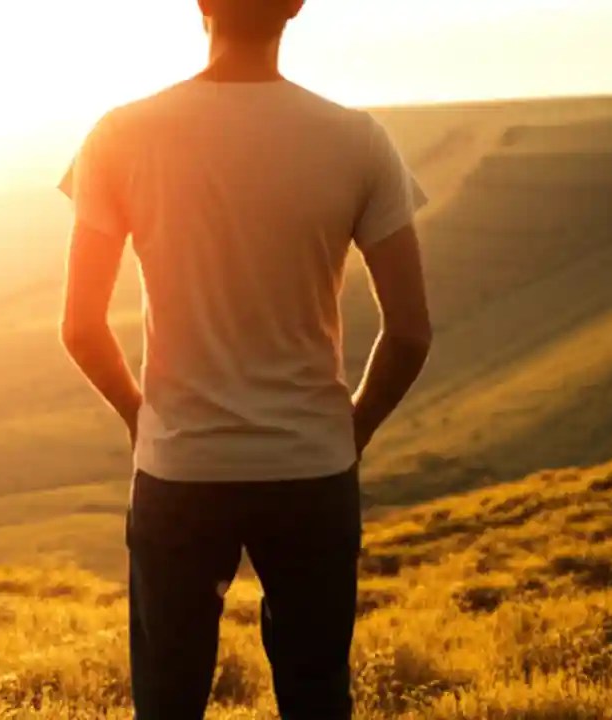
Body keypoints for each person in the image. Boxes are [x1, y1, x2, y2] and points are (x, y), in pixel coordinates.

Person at [58, 1, 432, 717]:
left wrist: (144, 421)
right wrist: (347, 433)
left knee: (167, 701)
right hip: (311, 471)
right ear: (295, 7)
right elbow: (410, 333)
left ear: (201, 5)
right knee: (316, 695)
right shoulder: (358, 141)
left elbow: (80, 326)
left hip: (180, 468)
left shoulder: (120, 134)